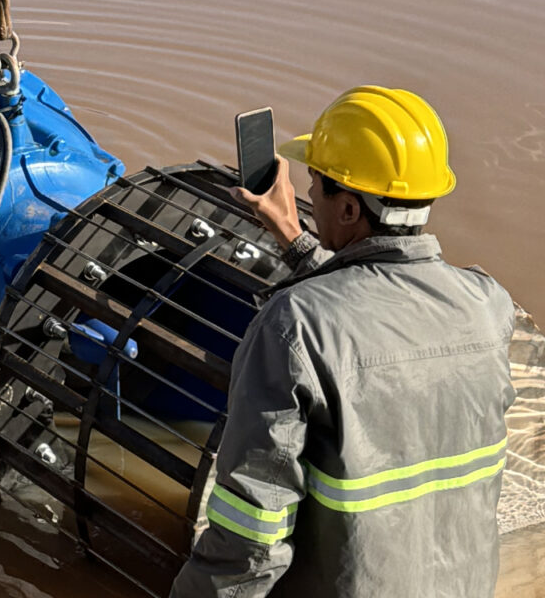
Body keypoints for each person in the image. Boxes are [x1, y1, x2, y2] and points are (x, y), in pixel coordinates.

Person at [171, 85, 516, 598]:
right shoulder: (487, 305)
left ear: (349, 208)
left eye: (315, 183)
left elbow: (251, 536)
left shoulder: (293, 325)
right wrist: (293, 237)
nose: (309, 197)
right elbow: (382, 310)